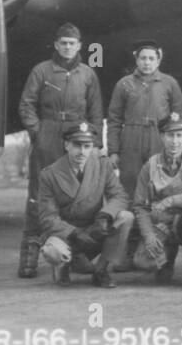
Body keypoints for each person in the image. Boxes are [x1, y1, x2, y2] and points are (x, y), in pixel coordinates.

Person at [16, 23, 104, 279]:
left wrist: (94, 145)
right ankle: (30, 252)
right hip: (49, 133)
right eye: (63, 42)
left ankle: (74, 253)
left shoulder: (88, 75)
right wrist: (39, 133)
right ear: (56, 45)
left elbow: (96, 113)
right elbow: (26, 106)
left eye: (72, 43)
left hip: (77, 135)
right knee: (38, 195)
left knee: (76, 195)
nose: (67, 47)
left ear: (79, 46)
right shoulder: (41, 71)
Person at [37, 122, 134, 289]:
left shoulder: (102, 165)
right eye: (77, 145)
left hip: (94, 229)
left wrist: (105, 216)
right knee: (52, 250)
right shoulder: (50, 175)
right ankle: (64, 266)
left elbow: (119, 196)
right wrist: (73, 233)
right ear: (66, 145)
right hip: (68, 235)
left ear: (92, 147)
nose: (82, 152)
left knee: (126, 217)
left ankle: (101, 270)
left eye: (87, 146)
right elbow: (48, 218)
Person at [132, 113, 182, 289]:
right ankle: (167, 260)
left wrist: (170, 201)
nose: (174, 141)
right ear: (162, 136)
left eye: (179, 135)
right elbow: (140, 206)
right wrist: (149, 236)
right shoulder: (151, 166)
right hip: (163, 224)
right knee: (143, 261)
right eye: (170, 135)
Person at [107, 39, 182, 199]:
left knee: (159, 179)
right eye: (143, 58)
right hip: (131, 138)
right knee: (130, 181)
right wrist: (113, 150)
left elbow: (180, 117)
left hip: (158, 137)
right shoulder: (124, 84)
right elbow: (114, 119)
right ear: (136, 60)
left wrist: (176, 146)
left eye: (151, 59)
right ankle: (130, 220)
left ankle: (157, 221)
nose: (147, 62)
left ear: (158, 61)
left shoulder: (169, 83)